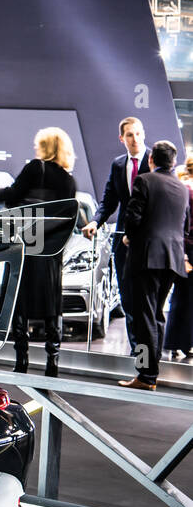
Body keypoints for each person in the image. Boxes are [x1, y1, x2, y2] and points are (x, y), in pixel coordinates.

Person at [0, 127, 79, 376]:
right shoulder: (68, 180)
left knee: (20, 301)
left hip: (26, 245)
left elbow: (13, 195)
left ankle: (22, 360)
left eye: (38, 144)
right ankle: (53, 361)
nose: (35, 148)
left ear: (47, 147)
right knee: (52, 305)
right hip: (52, 251)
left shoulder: (35, 169)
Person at [121, 140, 192, 389]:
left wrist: (129, 236)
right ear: (173, 162)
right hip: (172, 259)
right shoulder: (182, 188)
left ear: (151, 160)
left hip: (146, 258)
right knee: (157, 317)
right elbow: (185, 226)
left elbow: (133, 217)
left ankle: (144, 375)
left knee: (143, 318)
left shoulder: (144, 180)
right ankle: (152, 372)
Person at [83, 117, 149, 352]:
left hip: (148, 242)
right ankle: (137, 353)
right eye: (129, 135)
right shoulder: (119, 165)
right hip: (122, 240)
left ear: (144, 134)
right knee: (128, 298)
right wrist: (95, 221)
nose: (135, 139)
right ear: (122, 138)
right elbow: (109, 200)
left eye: (138, 134)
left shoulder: (153, 162)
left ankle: (148, 354)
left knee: (146, 300)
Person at [165, 154, 193, 360]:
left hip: (181, 247)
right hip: (187, 249)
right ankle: (183, 343)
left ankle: (176, 343)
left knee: (181, 296)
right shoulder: (188, 189)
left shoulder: (182, 187)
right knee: (186, 297)